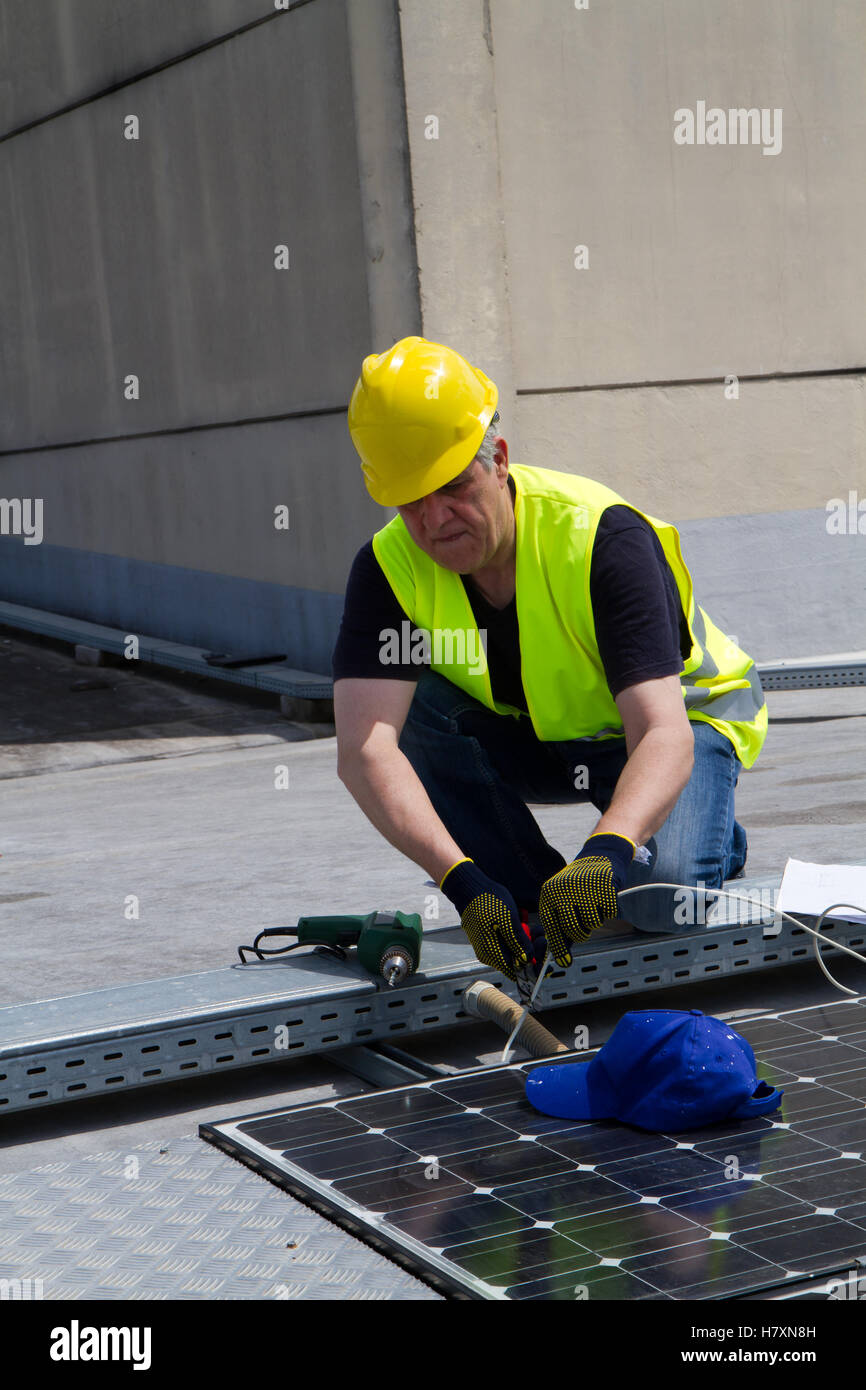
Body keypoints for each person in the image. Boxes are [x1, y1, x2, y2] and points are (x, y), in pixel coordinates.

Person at [332, 336, 767, 983]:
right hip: (550, 739)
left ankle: (709, 838)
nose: (435, 518)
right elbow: (366, 751)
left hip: (677, 730)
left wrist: (606, 854)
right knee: (409, 711)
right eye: (410, 499)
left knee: (663, 899)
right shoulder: (389, 567)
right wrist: (463, 881)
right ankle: (532, 894)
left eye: (452, 486)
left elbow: (661, 729)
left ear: (499, 459)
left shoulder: (598, 536)